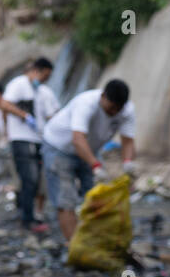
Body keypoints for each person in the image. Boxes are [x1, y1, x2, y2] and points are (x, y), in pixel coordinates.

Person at [41, 78, 136, 240]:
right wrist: (96, 165)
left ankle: (92, 239)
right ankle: (73, 246)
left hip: (89, 150)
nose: (114, 113)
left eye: (118, 109)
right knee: (66, 197)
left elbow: (128, 140)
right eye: (112, 108)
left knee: (93, 195)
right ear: (103, 96)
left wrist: (128, 165)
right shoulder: (86, 103)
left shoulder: (126, 110)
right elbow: (78, 139)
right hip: (59, 147)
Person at [0, 57, 59, 232]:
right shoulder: (19, 84)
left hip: (39, 140)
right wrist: (23, 116)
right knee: (29, 179)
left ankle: (33, 215)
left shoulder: (43, 92)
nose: (45, 80)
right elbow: (4, 104)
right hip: (21, 138)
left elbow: (52, 114)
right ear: (36, 71)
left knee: (38, 180)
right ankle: (27, 219)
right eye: (44, 76)